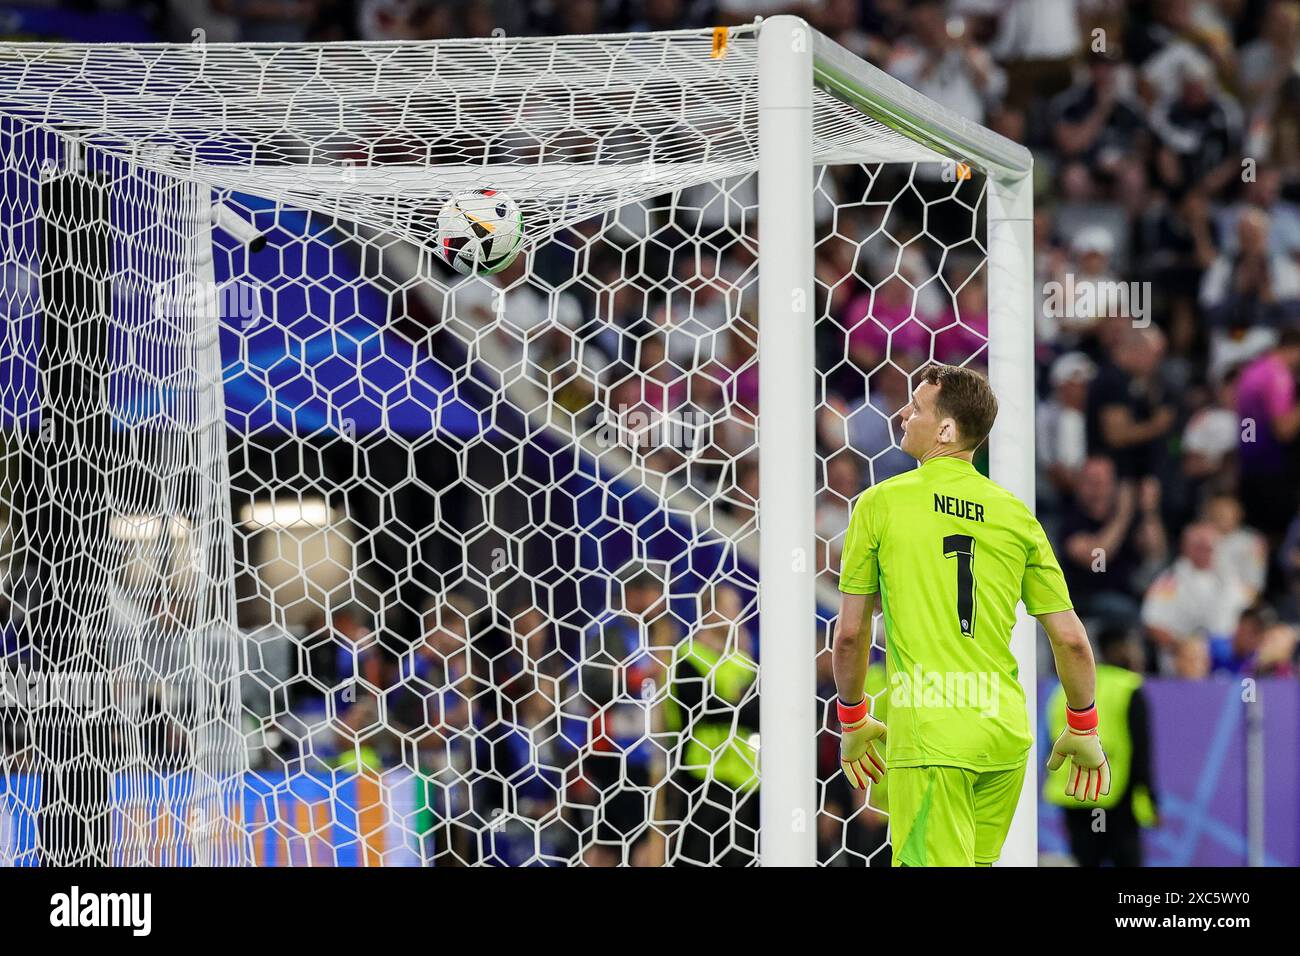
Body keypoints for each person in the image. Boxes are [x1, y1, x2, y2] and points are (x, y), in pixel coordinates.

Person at [833, 363, 1108, 867]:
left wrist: (852, 718)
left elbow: (851, 634)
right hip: (1003, 735)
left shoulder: (880, 504)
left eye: (916, 407)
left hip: (932, 732)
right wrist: (1083, 726)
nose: (902, 413)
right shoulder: (1016, 515)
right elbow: (1070, 639)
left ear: (945, 430)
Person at [1044, 626, 1159, 867]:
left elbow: (1052, 744)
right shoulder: (1129, 687)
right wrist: (1151, 798)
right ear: (1121, 650)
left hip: (1074, 795)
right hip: (1115, 798)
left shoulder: (1063, 688)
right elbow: (1141, 751)